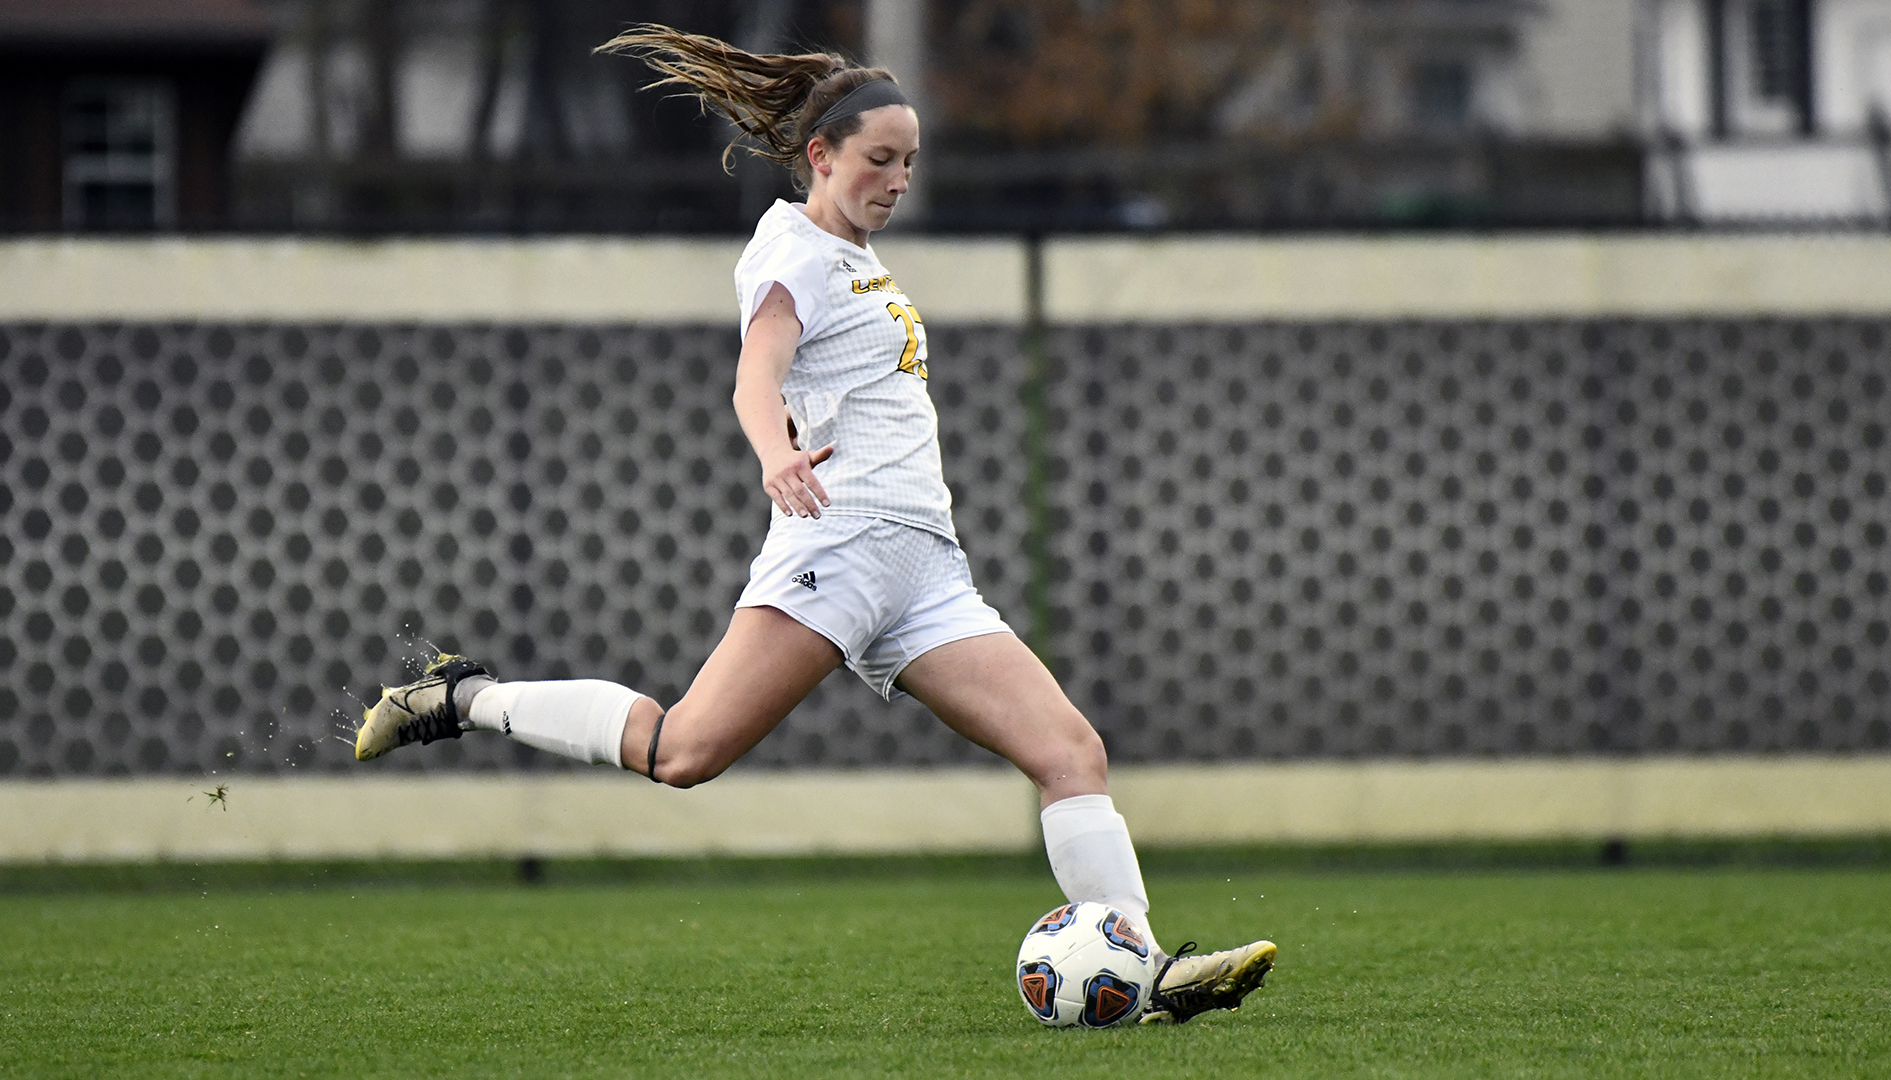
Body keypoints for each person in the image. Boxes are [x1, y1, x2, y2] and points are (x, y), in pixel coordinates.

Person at [354, 24, 1274, 1025]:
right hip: (837, 549)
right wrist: (773, 453)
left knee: (1071, 754)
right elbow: (758, 371)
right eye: (880, 159)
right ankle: (463, 696)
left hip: (926, 571)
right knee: (683, 753)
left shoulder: (864, 263)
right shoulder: (790, 247)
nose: (898, 179)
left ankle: (1141, 972)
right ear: (820, 157)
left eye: (910, 163)